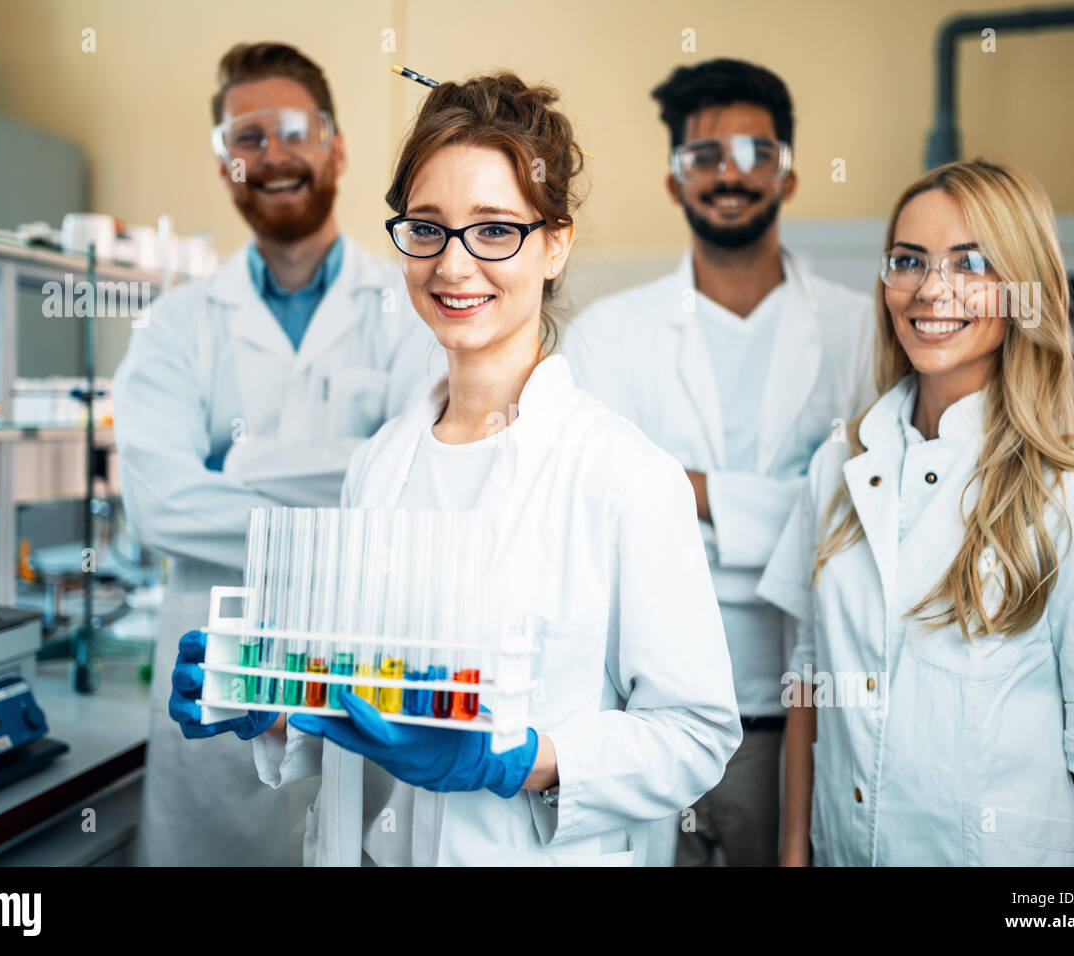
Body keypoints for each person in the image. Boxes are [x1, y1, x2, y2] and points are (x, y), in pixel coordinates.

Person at [169, 71, 742, 865]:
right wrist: (262, 701)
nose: (454, 264)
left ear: (555, 244)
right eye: (427, 227)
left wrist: (525, 759)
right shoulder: (379, 466)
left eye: (495, 229)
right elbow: (360, 707)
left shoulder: (624, 476)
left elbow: (696, 734)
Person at [758, 158, 1074, 866]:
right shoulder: (836, 468)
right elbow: (808, 684)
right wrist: (795, 853)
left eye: (972, 263)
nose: (933, 290)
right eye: (909, 260)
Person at [114, 42, 439, 866]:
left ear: (336, 146)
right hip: (215, 699)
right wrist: (352, 483)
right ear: (225, 165)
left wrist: (238, 471)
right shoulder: (176, 329)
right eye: (245, 138)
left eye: (294, 129)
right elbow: (158, 506)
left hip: (363, 687)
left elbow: (416, 495)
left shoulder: (410, 312)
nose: (272, 155)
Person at [560, 59, 874, 866]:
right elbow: (588, 514)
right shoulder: (609, 334)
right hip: (635, 716)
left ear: (788, 173)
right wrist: (782, 511)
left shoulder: (862, 334)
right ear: (674, 182)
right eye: (703, 157)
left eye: (753, 152)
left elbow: (864, 518)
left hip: (795, 712)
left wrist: (689, 494)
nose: (728, 174)